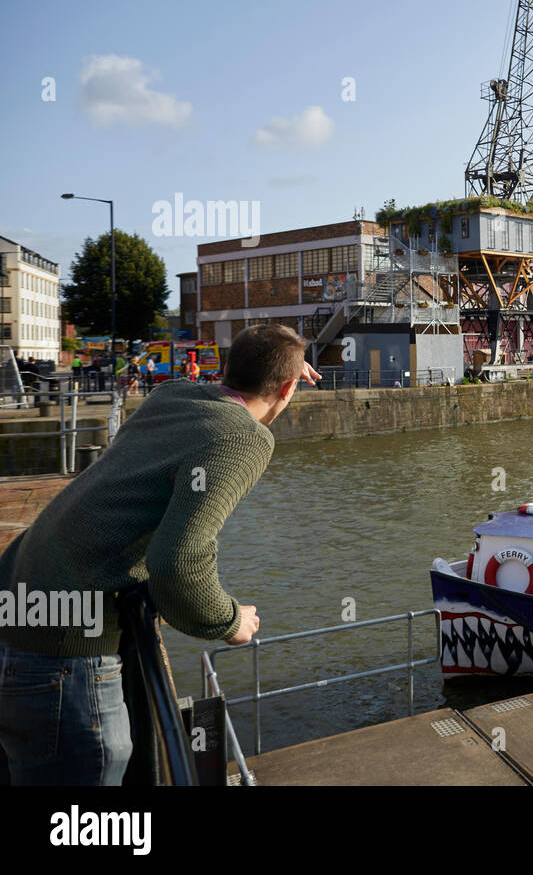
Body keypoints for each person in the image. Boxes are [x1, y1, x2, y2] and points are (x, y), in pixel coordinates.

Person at [0, 324, 320, 785]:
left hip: (18, 608)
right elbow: (180, 560)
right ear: (288, 387)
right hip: (64, 655)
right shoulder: (243, 437)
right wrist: (227, 621)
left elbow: (229, 379)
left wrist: (281, 362)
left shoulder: (170, 396)